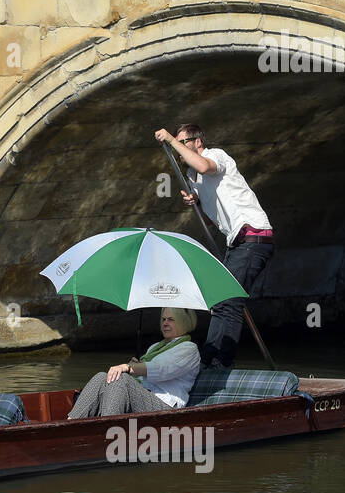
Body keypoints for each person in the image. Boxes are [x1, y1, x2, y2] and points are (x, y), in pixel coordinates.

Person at [155, 123, 274, 369]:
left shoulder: (214, 155)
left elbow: (203, 165)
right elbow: (214, 221)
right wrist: (197, 203)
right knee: (219, 300)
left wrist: (169, 138)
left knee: (229, 301)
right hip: (236, 241)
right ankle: (209, 360)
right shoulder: (192, 178)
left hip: (254, 235)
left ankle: (219, 364)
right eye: (178, 145)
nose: (180, 150)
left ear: (198, 141)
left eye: (184, 143)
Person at [68, 308, 200, 417]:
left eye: (171, 320)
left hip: (167, 407)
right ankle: (71, 422)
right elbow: (145, 374)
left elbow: (163, 369)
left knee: (122, 379)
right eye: (163, 319)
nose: (165, 323)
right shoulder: (154, 347)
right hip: (144, 395)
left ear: (184, 322)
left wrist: (130, 367)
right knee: (102, 377)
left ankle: (106, 427)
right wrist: (135, 368)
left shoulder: (189, 348)